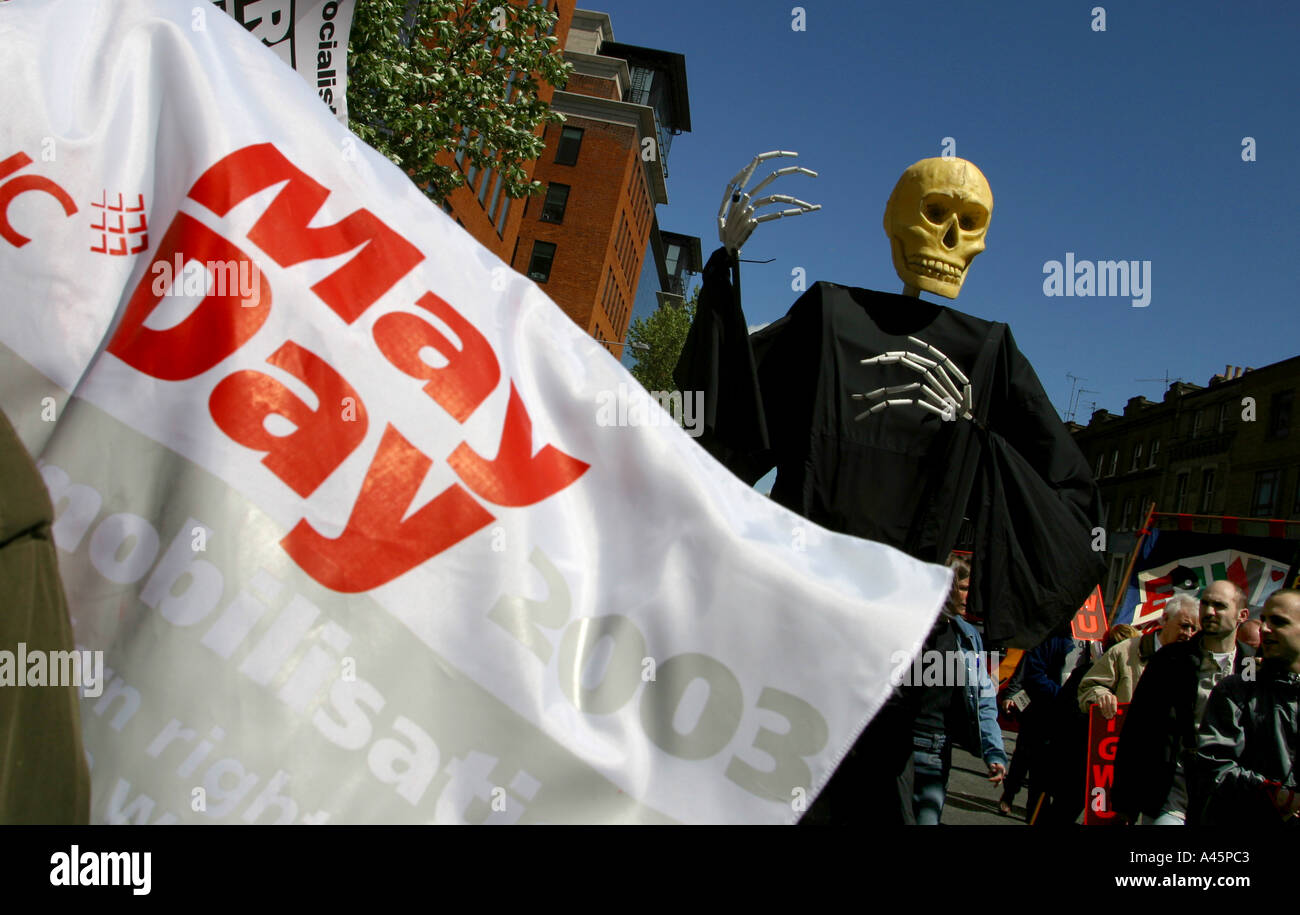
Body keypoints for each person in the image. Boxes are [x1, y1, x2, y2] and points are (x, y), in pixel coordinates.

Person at [1112, 579, 1252, 825]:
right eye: (1205, 604)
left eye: (1219, 606)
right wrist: (1125, 802)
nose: (1209, 612)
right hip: (1171, 790)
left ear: (1242, 615)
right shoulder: (1170, 659)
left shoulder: (1251, 665)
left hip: (1226, 797)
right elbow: (1138, 728)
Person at [910, 556, 1007, 824]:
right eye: (963, 588)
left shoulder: (966, 636)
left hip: (935, 748)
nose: (968, 596)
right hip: (895, 742)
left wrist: (994, 751)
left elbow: (983, 696)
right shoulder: (909, 625)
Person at [1193, 589, 1300, 826]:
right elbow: (1215, 767)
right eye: (1264, 620)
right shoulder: (1236, 691)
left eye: (1279, 622)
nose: (1265, 629)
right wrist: (1278, 796)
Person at [1077, 595, 1200, 719]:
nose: (1188, 634)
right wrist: (1102, 697)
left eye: (1194, 629)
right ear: (1166, 618)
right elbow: (1089, 686)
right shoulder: (1125, 651)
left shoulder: (1197, 662)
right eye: (1184, 626)